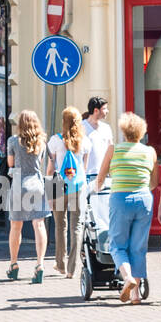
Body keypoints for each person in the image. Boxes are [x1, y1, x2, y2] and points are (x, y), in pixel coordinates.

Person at [97, 111, 158, 304]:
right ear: (142, 132)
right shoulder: (150, 152)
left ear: (124, 131)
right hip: (144, 200)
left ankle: (127, 278)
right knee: (138, 247)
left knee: (117, 244)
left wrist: (97, 187)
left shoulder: (113, 149)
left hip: (120, 200)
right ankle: (135, 294)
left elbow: (100, 178)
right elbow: (154, 182)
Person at [5, 109, 50, 283]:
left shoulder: (13, 141)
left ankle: (14, 265)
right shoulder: (41, 142)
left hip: (18, 184)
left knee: (16, 227)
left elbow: (11, 164)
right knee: (39, 225)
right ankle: (39, 265)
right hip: (37, 184)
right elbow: (42, 163)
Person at [47, 106, 91, 278]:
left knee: (60, 225)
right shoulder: (85, 142)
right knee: (77, 226)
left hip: (59, 186)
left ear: (63, 121)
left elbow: (50, 170)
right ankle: (72, 268)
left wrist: (49, 194)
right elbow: (84, 170)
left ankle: (60, 264)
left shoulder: (55, 141)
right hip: (78, 187)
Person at [83, 97, 113, 199]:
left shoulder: (106, 128)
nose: (107, 111)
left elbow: (111, 151)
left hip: (104, 175)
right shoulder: (81, 128)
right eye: (104, 109)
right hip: (87, 176)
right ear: (96, 110)